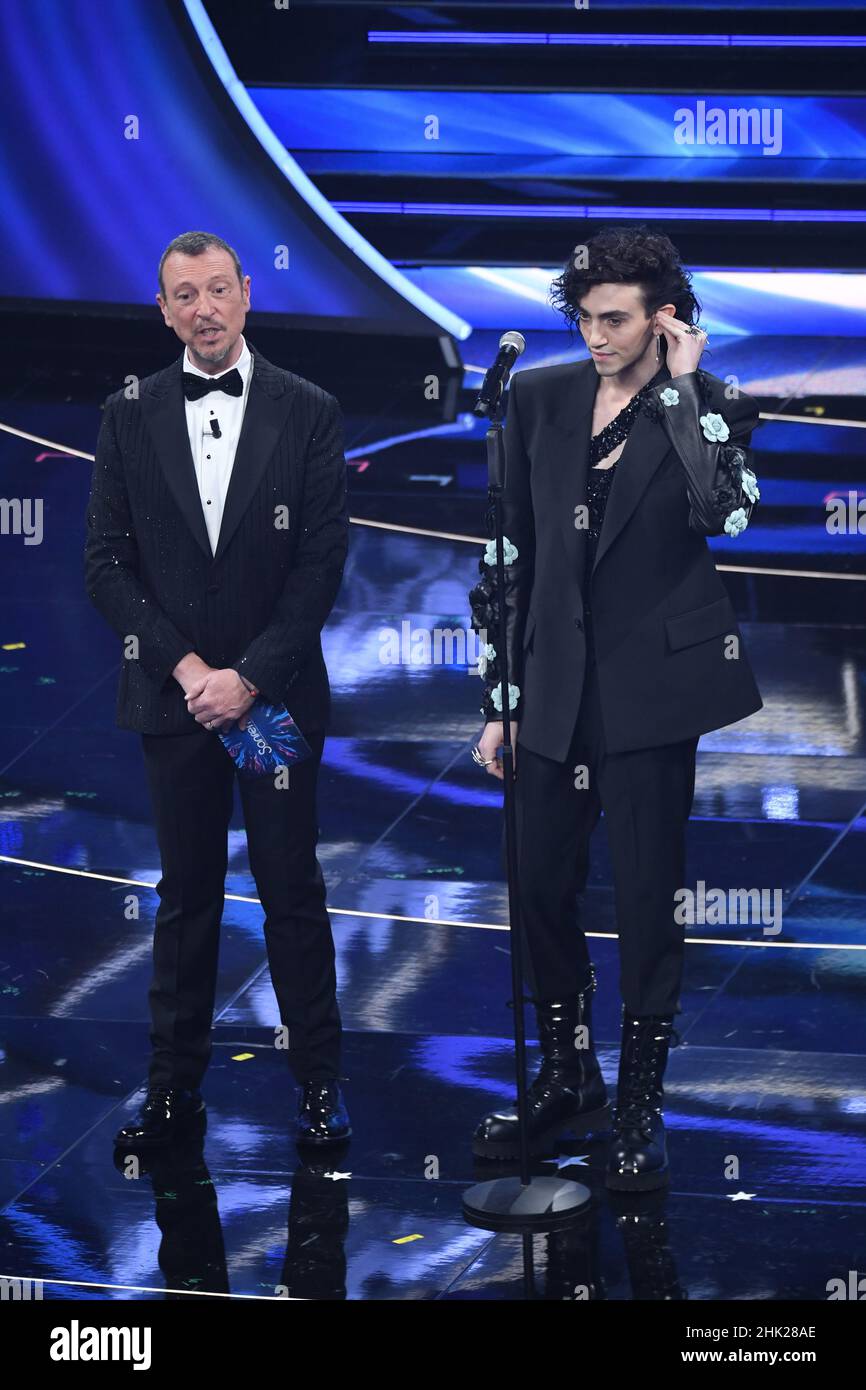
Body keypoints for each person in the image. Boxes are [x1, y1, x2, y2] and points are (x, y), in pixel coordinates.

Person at [469, 226, 763, 1191]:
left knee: (645, 898)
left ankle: (640, 1104)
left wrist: (681, 389)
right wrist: (501, 699)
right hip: (551, 686)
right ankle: (569, 1075)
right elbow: (506, 557)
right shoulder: (542, 399)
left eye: (616, 320)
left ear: (662, 319)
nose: (595, 336)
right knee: (538, 884)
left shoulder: (710, 405)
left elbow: (724, 512)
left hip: (648, 694)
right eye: (585, 317)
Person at [85, 231, 350, 1150]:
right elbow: (106, 567)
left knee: (292, 891)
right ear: (163, 310)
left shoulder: (308, 410)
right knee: (184, 898)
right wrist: (193, 673)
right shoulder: (128, 412)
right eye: (182, 295)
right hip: (175, 699)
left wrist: (250, 678)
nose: (203, 309)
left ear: (247, 293)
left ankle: (320, 1088)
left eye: (216, 290)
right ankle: (172, 1096)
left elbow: (319, 566)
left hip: (271, 698)